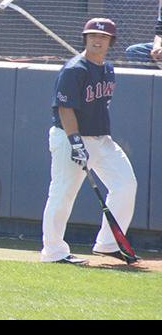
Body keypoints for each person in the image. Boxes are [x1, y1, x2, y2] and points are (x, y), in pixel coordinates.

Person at [40, 18, 139, 265]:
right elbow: (65, 108)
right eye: (93, 35)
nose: (97, 40)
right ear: (85, 38)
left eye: (103, 37)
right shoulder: (75, 69)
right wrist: (75, 142)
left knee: (126, 184)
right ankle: (53, 252)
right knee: (63, 193)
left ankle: (108, 244)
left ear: (111, 42)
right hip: (70, 136)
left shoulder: (108, 69)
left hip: (101, 139)